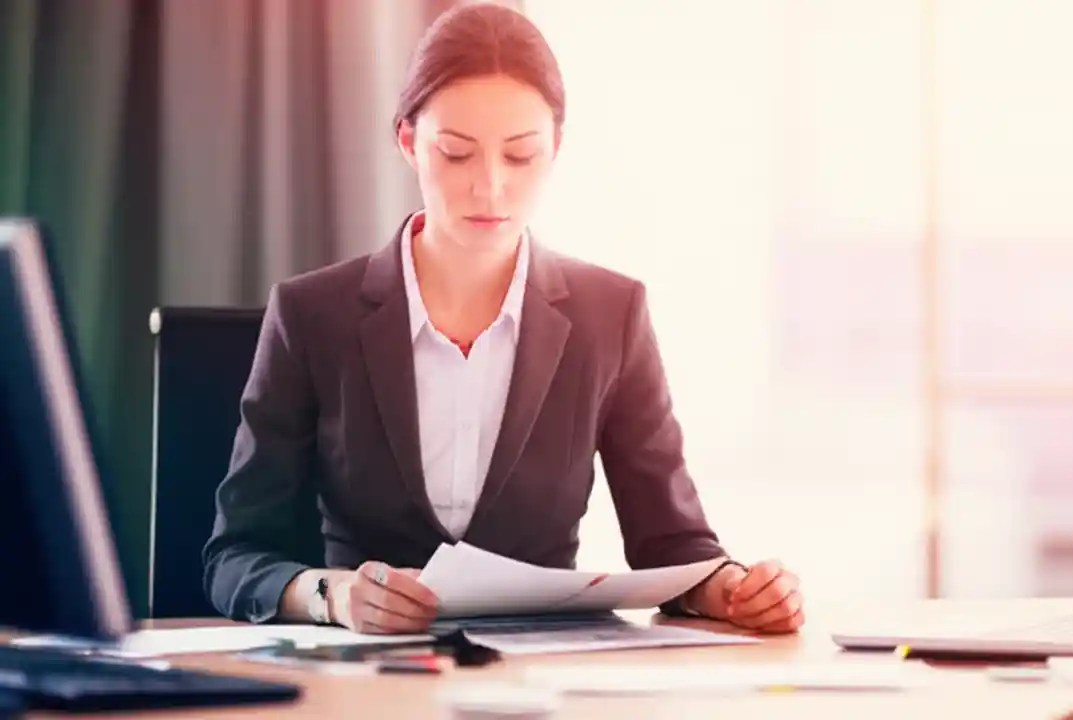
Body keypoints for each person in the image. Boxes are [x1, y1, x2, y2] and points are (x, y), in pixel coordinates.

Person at [203, 1, 804, 636]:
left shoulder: (612, 315)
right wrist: (331, 593)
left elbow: (674, 546)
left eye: (520, 156)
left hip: (543, 673)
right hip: (369, 673)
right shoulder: (311, 316)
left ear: (556, 148)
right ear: (408, 142)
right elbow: (233, 558)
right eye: (457, 153)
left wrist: (733, 589)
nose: (490, 188)